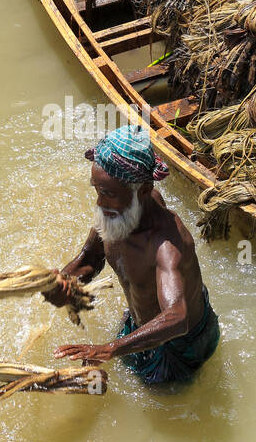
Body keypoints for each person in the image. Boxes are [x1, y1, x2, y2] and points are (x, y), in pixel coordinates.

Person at [44, 124, 220, 385]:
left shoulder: (166, 244)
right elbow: (90, 260)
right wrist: (62, 284)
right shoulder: (116, 214)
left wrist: (110, 349)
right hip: (141, 324)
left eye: (109, 194)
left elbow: (177, 317)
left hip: (180, 343)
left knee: (164, 401)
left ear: (144, 190)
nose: (99, 203)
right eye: (97, 189)